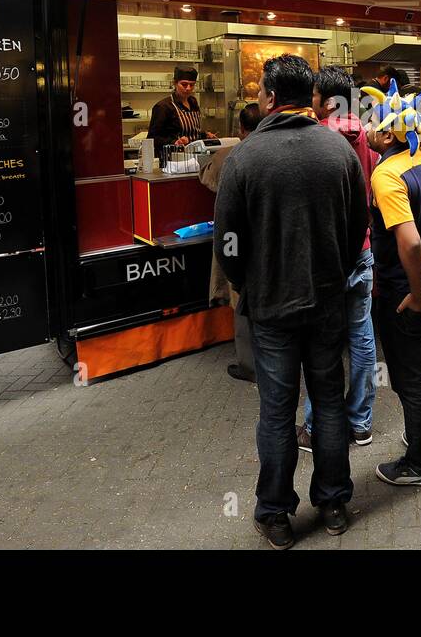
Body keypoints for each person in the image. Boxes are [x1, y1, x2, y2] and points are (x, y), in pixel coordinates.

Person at [213, 55, 369, 549]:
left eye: (260, 94)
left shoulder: (243, 158)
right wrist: (334, 273)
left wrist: (250, 285)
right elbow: (356, 230)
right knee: (328, 403)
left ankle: (277, 515)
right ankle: (334, 502)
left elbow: (228, 244)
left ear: (271, 99)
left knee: (276, 411)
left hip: (272, 309)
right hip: (327, 303)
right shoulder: (339, 152)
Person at [361, 79, 421, 487]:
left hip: (406, 295)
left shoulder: (386, 174)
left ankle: (420, 465)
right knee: (419, 368)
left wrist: (417, 293)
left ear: (387, 133)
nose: (365, 129)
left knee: (408, 376)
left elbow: (411, 241)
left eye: (371, 123)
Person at [297, 66, 379, 450]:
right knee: (361, 336)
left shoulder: (317, 138)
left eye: (314, 94)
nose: (310, 100)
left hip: (328, 254)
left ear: (326, 100)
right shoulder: (364, 134)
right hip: (361, 248)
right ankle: (361, 422)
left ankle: (316, 428)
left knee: (324, 341)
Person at [198, 102, 262, 383]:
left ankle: (250, 366)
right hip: (267, 240)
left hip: (237, 241)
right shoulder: (277, 149)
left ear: (240, 128)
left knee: (241, 301)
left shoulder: (228, 154)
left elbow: (206, 174)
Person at [148, 66, 216, 150]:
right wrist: (174, 142)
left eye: (192, 85)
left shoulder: (193, 102)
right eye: (184, 84)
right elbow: (153, 138)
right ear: (175, 83)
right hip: (174, 157)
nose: (188, 88)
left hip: (194, 153)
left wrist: (205, 135)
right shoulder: (163, 107)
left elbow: (192, 131)